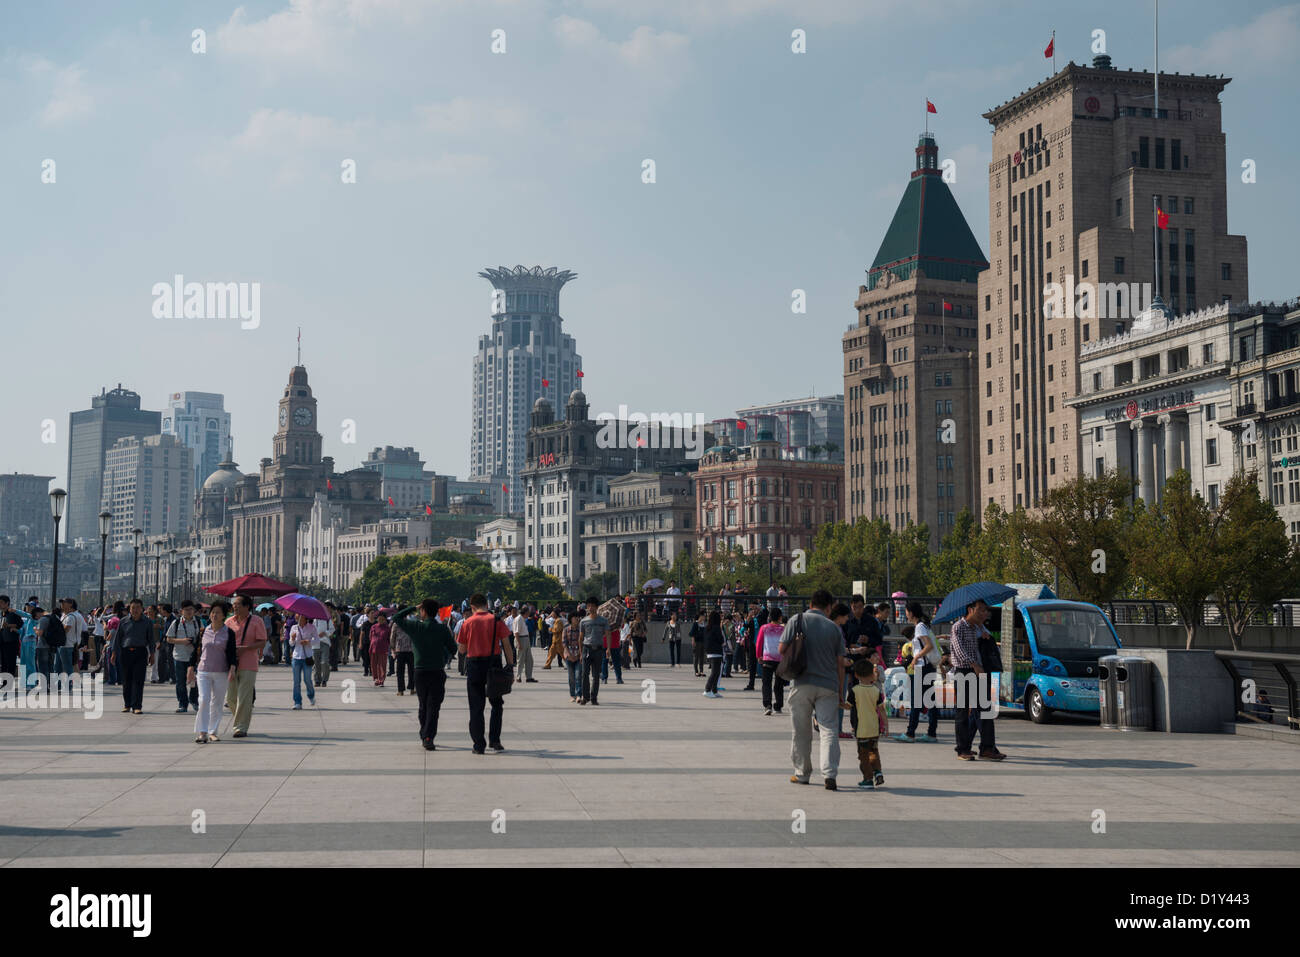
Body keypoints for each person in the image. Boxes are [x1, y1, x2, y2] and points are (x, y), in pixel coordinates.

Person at [782, 589, 850, 791]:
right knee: (829, 729)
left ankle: (802, 773)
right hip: (828, 685)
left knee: (801, 730)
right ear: (829, 607)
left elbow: (781, 650)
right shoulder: (834, 628)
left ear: (811, 604)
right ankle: (830, 774)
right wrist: (839, 691)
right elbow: (840, 663)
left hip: (801, 682)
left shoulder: (797, 620)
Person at [391, 600, 458, 749]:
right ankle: (429, 736)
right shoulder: (442, 629)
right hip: (437, 671)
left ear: (423, 611)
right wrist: (441, 653)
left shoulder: (416, 627)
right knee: (433, 706)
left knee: (423, 705)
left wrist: (413, 607)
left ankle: (424, 733)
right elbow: (453, 649)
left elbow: (396, 618)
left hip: (420, 671)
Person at [456, 593, 515, 753]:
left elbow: (461, 649)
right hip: (494, 664)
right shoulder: (496, 620)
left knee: (476, 706)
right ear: (486, 605)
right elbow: (507, 645)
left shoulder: (467, 622)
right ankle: (495, 740)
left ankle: (478, 745)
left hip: (474, 665)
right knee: (496, 704)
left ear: (472, 606)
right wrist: (510, 665)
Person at [950, 598, 1005, 761]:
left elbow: (987, 644)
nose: (984, 613)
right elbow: (959, 651)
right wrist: (974, 665)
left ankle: (987, 748)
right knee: (962, 712)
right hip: (964, 671)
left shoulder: (979, 628)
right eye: (980, 610)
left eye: (985, 610)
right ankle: (963, 749)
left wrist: (985, 634)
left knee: (985, 711)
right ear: (970, 609)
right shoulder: (958, 627)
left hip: (980, 671)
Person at [894, 600, 940, 743]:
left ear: (911, 612)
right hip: (929, 667)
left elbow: (928, 646)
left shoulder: (919, 627)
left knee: (916, 702)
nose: (905, 614)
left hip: (922, 668)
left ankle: (910, 733)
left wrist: (916, 658)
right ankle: (931, 733)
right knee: (930, 701)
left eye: (907, 611)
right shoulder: (924, 625)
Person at [192, 601, 238, 743]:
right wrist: (190, 667)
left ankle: (213, 731)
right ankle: (202, 732)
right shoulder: (203, 631)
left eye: (218, 612)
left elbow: (232, 652)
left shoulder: (228, 632)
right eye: (213, 612)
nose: (214, 615)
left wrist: (233, 667)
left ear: (224, 615)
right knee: (204, 700)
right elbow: (195, 650)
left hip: (221, 672)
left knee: (217, 702)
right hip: (203, 671)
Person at [224, 595, 268, 737]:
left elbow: (262, 642)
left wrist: (246, 648)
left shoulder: (256, 621)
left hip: (249, 663)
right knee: (230, 698)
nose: (234, 607)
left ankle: (240, 727)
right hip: (231, 664)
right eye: (233, 604)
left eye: (237, 604)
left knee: (244, 697)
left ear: (247, 606)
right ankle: (243, 716)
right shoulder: (228, 622)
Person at [845, 660, 886, 788]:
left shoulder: (855, 690)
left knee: (863, 755)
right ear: (872, 674)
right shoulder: (875, 690)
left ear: (856, 675)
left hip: (861, 729)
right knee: (873, 751)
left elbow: (848, 706)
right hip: (874, 728)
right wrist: (886, 726)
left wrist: (838, 703)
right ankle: (878, 772)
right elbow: (882, 710)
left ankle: (868, 779)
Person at [109, 599, 154, 714]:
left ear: (142, 608)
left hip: (140, 652)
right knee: (126, 680)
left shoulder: (147, 622)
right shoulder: (123, 621)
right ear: (129, 609)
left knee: (138, 680)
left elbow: (151, 639)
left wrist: (152, 654)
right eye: (133, 607)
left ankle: (137, 706)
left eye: (138, 607)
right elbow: (118, 638)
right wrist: (114, 653)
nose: (135, 610)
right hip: (126, 652)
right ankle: (127, 704)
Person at [166, 600, 203, 713]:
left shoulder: (198, 621)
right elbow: (169, 638)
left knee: (195, 681)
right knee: (180, 682)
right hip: (180, 656)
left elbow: (203, 635)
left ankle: (194, 700)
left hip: (194, 657)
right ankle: (183, 704)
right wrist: (182, 641)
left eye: (191, 609)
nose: (189, 612)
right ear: (182, 611)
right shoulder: (176, 623)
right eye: (186, 610)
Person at [756, 607, 787, 715]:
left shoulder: (764, 628)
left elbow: (759, 643)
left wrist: (758, 656)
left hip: (767, 659)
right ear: (780, 617)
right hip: (780, 660)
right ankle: (778, 705)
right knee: (779, 684)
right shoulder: (784, 629)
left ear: (769, 617)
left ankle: (767, 705)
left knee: (766, 683)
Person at [578, 597, 608, 706]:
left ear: (597, 607)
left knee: (596, 675)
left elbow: (607, 634)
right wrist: (581, 653)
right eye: (588, 605)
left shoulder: (603, 620)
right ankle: (585, 697)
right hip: (587, 649)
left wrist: (608, 648)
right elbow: (580, 638)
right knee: (584, 674)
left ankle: (594, 697)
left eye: (593, 605)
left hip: (598, 650)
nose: (590, 608)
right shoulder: (583, 621)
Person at [288, 613, 317, 709]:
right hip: (296, 657)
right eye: (297, 617)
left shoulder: (311, 627)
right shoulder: (294, 627)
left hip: (307, 656)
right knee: (296, 681)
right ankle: (297, 702)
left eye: (300, 616)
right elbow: (291, 644)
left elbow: (317, 640)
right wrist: (292, 638)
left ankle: (311, 695)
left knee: (307, 679)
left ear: (305, 618)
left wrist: (308, 642)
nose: (298, 618)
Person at [59, 598, 86, 678]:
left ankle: (69, 684)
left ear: (70, 605)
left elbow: (65, 630)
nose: (62, 605)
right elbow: (85, 628)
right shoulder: (78, 615)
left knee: (67, 666)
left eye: (64, 603)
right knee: (74, 663)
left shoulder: (70, 617)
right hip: (75, 643)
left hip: (67, 643)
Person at [391, 612, 415, 696]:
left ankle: (400, 690)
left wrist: (392, 649)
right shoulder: (410, 623)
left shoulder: (396, 624)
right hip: (410, 650)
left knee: (400, 671)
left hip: (399, 650)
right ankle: (412, 689)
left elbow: (392, 637)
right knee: (411, 670)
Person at [702, 611, 725, 698]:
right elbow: (721, 639)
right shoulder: (716, 628)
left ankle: (714, 690)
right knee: (715, 672)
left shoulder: (707, 628)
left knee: (716, 672)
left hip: (710, 652)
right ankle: (707, 689)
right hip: (716, 652)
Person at [0, 596, 23, 681]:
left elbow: (21, 624)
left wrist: (9, 625)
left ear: (7, 603)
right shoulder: (1, 614)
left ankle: (8, 682)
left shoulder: (13, 613)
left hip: (11, 642)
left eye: (1, 602)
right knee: (3, 663)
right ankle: (4, 682)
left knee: (10, 663)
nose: (0, 604)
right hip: (2, 642)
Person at [561, 610, 583, 702]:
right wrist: (569, 654)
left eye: (578, 617)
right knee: (571, 677)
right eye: (575, 617)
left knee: (578, 675)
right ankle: (572, 695)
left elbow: (582, 642)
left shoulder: (581, 630)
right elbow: (564, 643)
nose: (577, 619)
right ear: (571, 619)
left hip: (579, 655)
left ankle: (579, 695)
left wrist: (579, 654)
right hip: (568, 655)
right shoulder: (566, 629)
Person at [512, 604, 535, 683]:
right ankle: (518, 677)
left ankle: (529, 677)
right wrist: (519, 643)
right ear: (525, 613)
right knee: (520, 659)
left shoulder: (522, 619)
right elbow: (516, 633)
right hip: (521, 639)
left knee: (529, 660)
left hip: (525, 639)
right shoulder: (519, 619)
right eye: (528, 613)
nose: (529, 615)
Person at [369, 611, 391, 686]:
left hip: (383, 649)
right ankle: (376, 678)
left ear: (385, 619)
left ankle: (381, 680)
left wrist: (389, 647)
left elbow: (389, 639)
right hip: (373, 648)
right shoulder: (373, 627)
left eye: (382, 619)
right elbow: (370, 637)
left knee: (382, 665)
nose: (381, 620)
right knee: (374, 664)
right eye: (379, 619)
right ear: (377, 619)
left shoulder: (387, 628)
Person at [689, 610, 707, 677]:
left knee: (702, 657)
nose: (704, 617)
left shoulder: (704, 624)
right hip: (697, 642)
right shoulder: (695, 624)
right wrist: (693, 641)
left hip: (703, 642)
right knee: (696, 656)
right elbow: (692, 633)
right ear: (700, 616)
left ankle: (701, 671)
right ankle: (696, 671)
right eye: (703, 616)